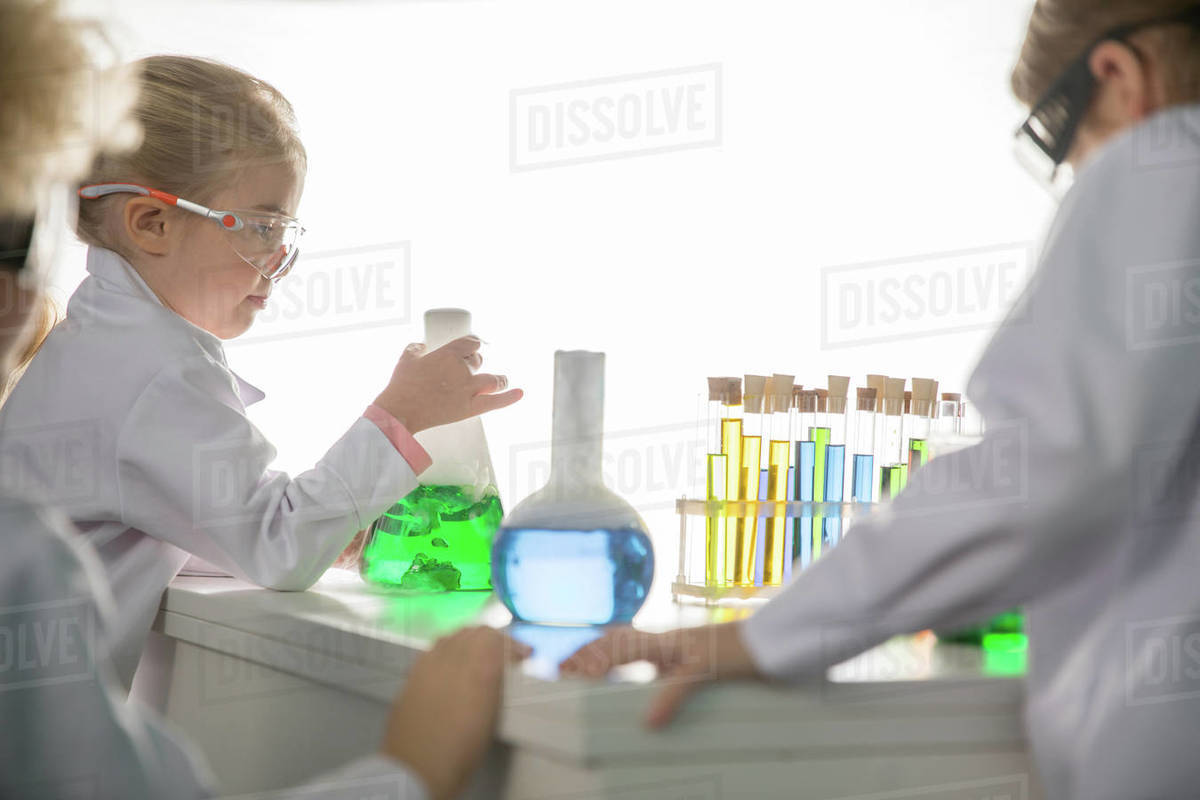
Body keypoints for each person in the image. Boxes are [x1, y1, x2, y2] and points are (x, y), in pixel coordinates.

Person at [562, 3, 1200, 798]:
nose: (1074, 182)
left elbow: (1046, 467)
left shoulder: (1169, 156)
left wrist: (765, 636)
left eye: (1069, 151)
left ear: (1118, 77)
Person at [0, 2, 527, 798]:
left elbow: (160, 516)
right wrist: (403, 415)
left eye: (287, 231)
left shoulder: (99, 348)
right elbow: (278, 547)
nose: (279, 258)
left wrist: (331, 522)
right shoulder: (154, 371)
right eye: (258, 225)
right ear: (151, 223)